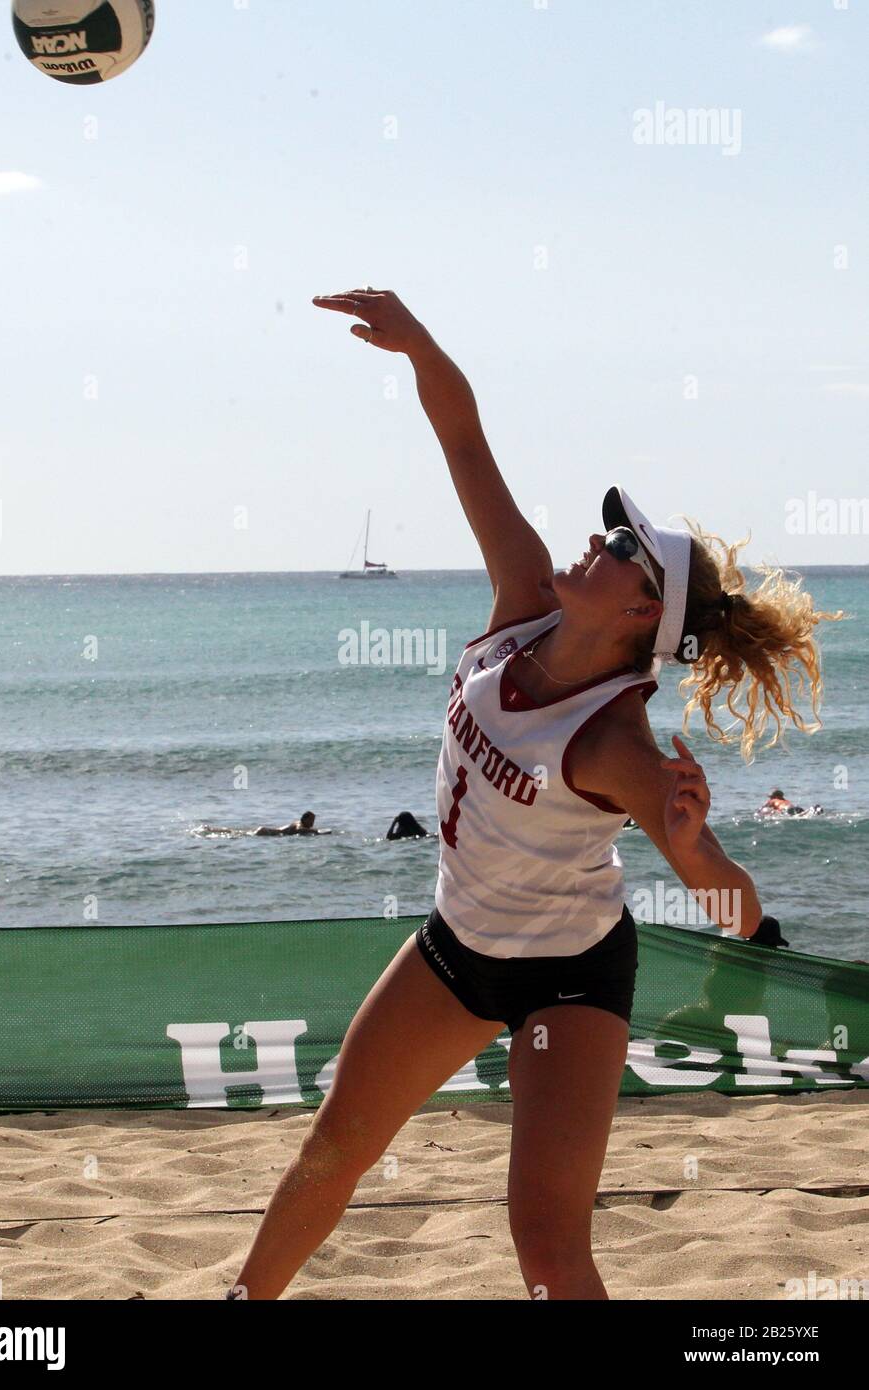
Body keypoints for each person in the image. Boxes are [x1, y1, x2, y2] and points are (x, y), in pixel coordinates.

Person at [226, 288, 844, 1303]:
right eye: (608, 535)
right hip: (455, 948)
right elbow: (465, 441)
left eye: (618, 550)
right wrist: (420, 345)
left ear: (643, 609)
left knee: (546, 1248)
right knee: (334, 1149)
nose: (592, 544)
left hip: (569, 978)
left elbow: (730, 904)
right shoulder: (520, 601)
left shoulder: (610, 741)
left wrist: (691, 847)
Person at [250, 811, 328, 836]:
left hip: (266, 831)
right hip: (265, 832)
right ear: (305, 819)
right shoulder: (299, 824)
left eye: (313, 820)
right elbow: (299, 829)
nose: (312, 822)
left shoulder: (302, 825)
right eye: (311, 820)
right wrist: (314, 831)